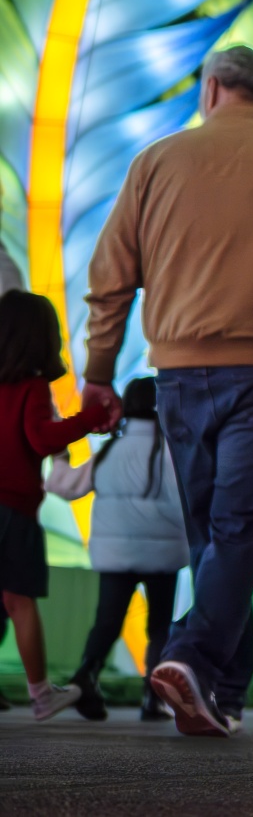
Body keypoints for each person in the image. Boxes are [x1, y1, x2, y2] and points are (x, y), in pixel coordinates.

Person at [81, 45, 253, 738]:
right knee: (243, 531)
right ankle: (200, 666)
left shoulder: (155, 162)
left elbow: (110, 280)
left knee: (212, 537)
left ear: (211, 88)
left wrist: (99, 372)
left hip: (179, 379)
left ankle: (214, 682)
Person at [0, 290, 115, 721]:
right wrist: (91, 418)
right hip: (13, 510)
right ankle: (41, 695)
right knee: (20, 601)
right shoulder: (31, 385)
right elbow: (41, 439)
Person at [68, 377, 187, 722]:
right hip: (164, 556)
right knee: (160, 627)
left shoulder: (109, 451)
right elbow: (187, 503)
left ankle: (86, 676)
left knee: (107, 622)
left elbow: (67, 486)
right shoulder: (172, 451)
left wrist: (59, 457)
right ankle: (154, 699)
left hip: (115, 556)